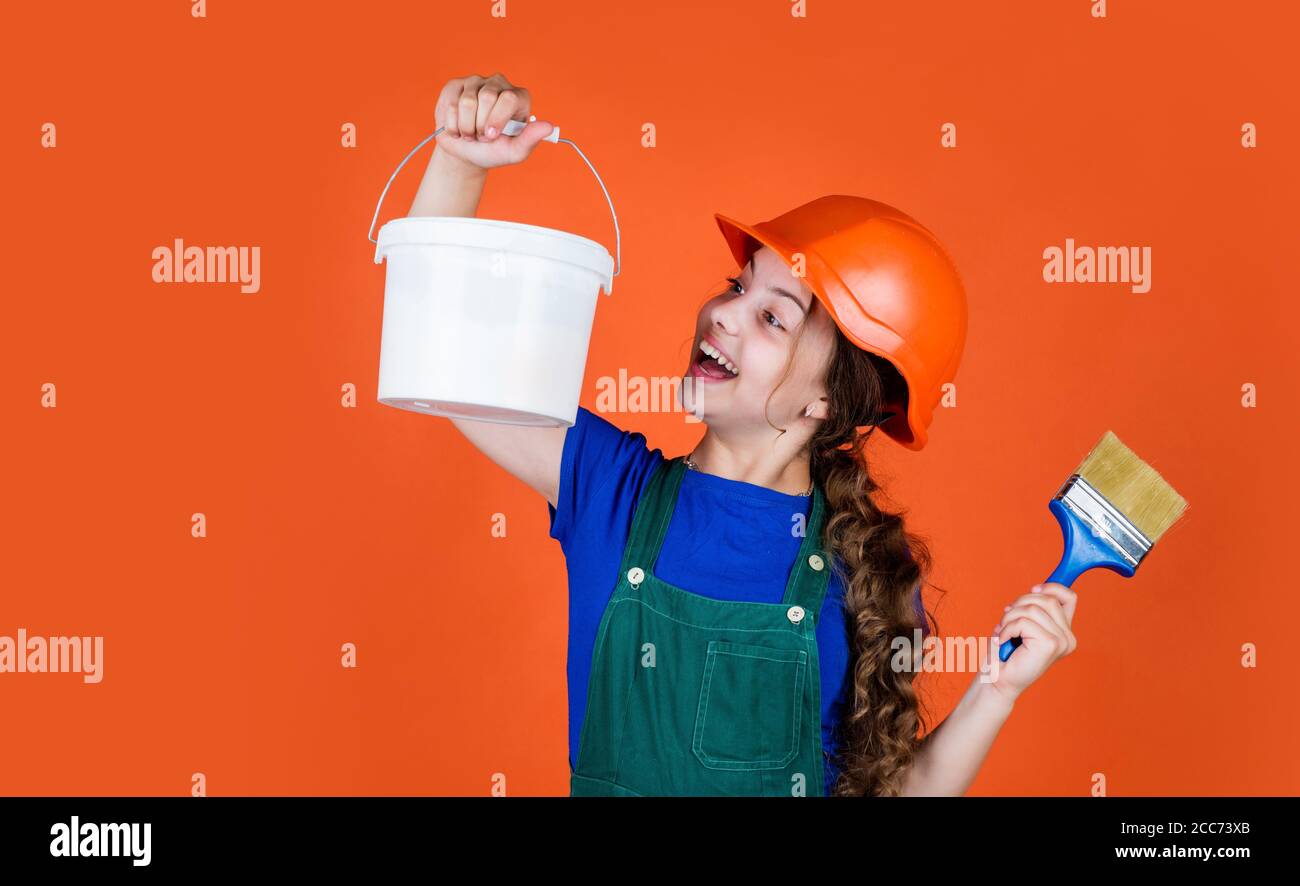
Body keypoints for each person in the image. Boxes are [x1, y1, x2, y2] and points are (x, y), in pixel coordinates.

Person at [410, 72, 1080, 797]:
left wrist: (998, 689)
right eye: (737, 286)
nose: (725, 313)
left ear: (825, 401)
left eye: (773, 317)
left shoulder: (866, 575)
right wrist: (459, 163)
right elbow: (438, 358)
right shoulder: (609, 490)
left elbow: (896, 790)